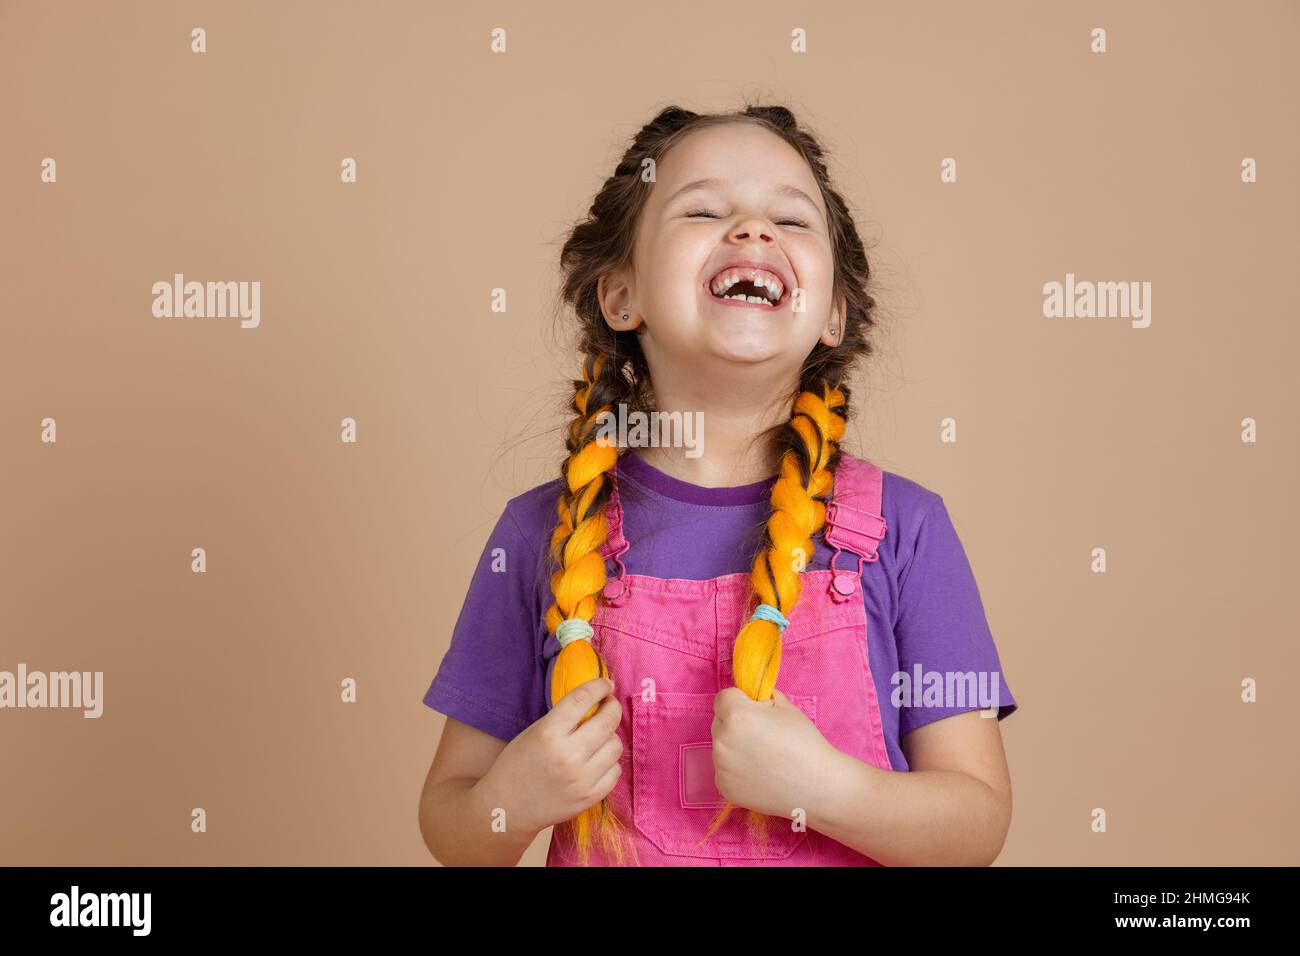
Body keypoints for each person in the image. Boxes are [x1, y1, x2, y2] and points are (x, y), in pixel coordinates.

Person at [418, 104, 1018, 867]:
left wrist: (828, 788)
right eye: (704, 209)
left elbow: (976, 825)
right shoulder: (540, 535)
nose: (753, 231)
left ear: (832, 313)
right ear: (619, 296)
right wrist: (517, 794)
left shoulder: (905, 529)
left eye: (792, 222)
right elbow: (450, 822)